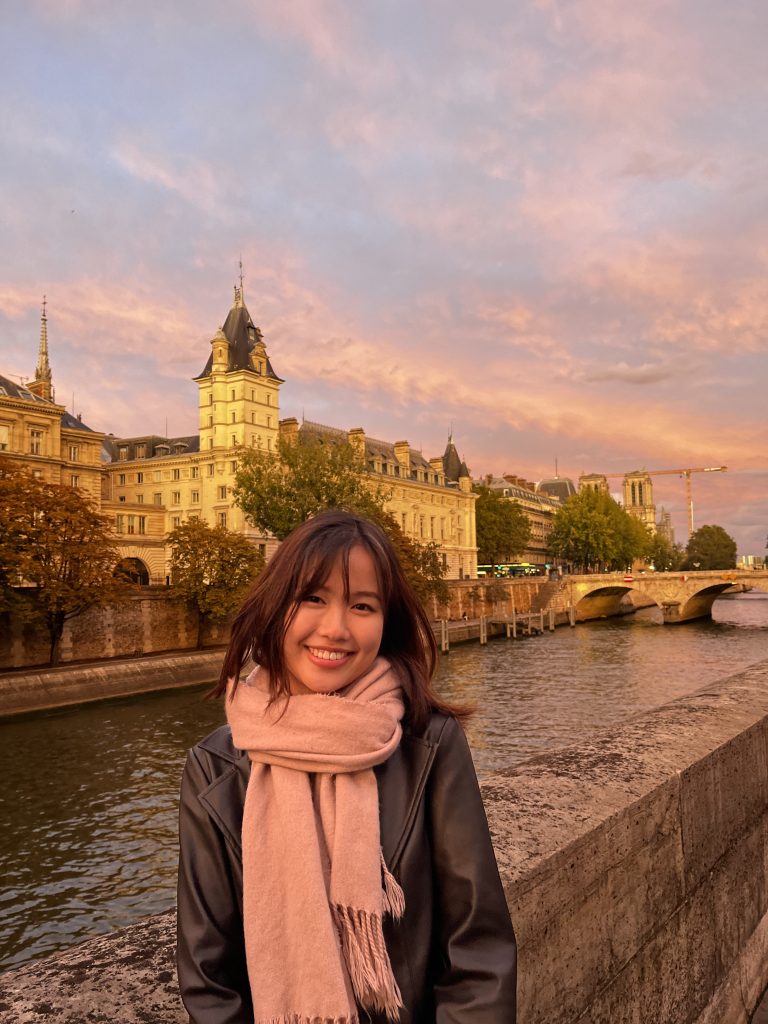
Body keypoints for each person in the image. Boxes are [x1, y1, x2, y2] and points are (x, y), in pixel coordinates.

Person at [177, 510, 516, 1024]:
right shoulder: (214, 768)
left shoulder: (431, 743)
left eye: (361, 605)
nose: (334, 629)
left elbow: (477, 948)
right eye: (312, 598)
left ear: (387, 621)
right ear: (275, 607)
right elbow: (209, 980)